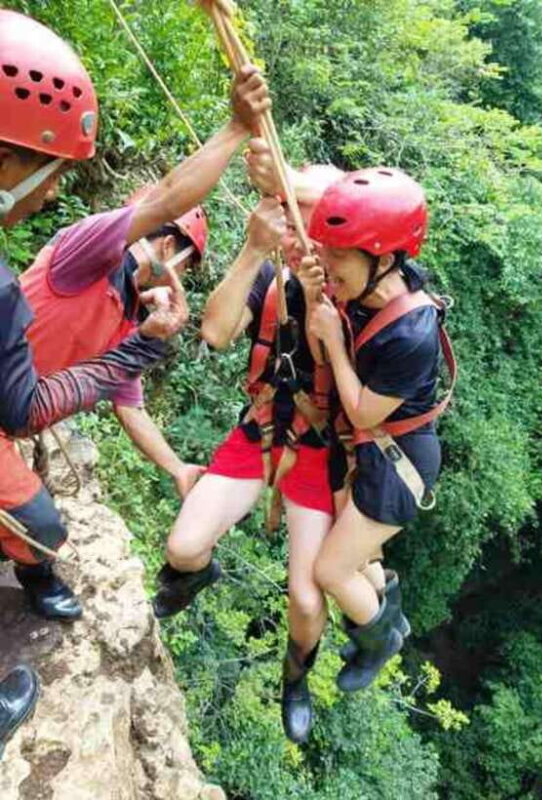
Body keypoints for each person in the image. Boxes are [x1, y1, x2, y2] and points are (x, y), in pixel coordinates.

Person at [0, 9, 180, 758]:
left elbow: (128, 406)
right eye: (49, 175)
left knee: (39, 526)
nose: (48, 197)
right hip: (14, 401)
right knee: (39, 523)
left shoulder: (123, 307)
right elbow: (30, 403)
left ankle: (36, 576)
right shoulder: (82, 258)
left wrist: (176, 469)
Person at [152, 161, 343, 744]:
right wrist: (254, 251)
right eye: (288, 213)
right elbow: (214, 332)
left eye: (301, 213)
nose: (293, 224)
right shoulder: (270, 277)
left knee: (308, 603)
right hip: (262, 430)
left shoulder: (353, 284)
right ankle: (195, 576)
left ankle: (296, 676)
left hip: (317, 447)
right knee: (182, 548)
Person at [19, 64, 271, 499]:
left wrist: (176, 467)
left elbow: (129, 405)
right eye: (190, 265)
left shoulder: (133, 320)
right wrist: (236, 127)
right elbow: (168, 198)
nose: (186, 277)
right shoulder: (92, 249)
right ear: (172, 251)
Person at [301, 167, 453, 693]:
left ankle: (382, 639)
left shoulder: (412, 333)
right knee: (360, 558)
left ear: (384, 259)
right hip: (369, 451)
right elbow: (324, 352)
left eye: (339, 255)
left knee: (331, 572)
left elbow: (365, 410)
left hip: (397, 461)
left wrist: (335, 342)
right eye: (327, 249)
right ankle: (384, 615)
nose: (327, 262)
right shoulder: (368, 289)